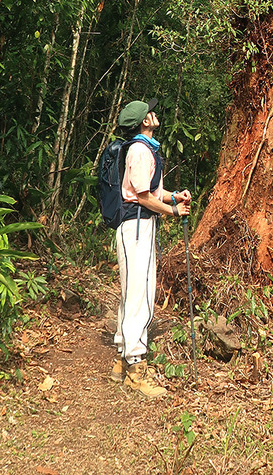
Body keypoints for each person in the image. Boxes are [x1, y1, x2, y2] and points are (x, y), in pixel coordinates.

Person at [111, 97, 191, 397]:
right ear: (145, 121)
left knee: (132, 291)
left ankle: (122, 360)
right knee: (139, 294)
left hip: (140, 226)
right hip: (136, 227)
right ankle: (135, 366)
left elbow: (152, 191)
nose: (155, 114)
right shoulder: (141, 151)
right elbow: (142, 198)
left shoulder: (145, 150)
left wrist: (174, 197)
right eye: (151, 112)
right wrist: (172, 211)